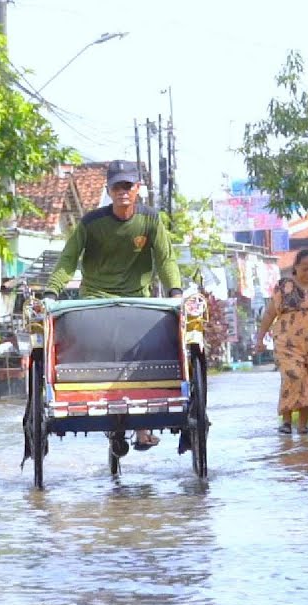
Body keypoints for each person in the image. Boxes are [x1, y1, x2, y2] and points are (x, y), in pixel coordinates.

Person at [44, 159, 182, 450]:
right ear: (108, 189)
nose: (122, 192)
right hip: (95, 299)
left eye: (128, 186)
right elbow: (68, 259)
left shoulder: (150, 220)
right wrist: (52, 292)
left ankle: (142, 428)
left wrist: (175, 291)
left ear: (138, 189)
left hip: (137, 300)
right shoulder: (91, 223)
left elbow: (166, 259)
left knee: (141, 359)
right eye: (117, 186)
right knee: (97, 358)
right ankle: (113, 420)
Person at [254, 248, 308, 435]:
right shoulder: (284, 286)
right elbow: (270, 313)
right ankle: (287, 420)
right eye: (304, 269)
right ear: (296, 267)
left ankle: (303, 425)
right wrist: (260, 338)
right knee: (294, 377)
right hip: (287, 343)